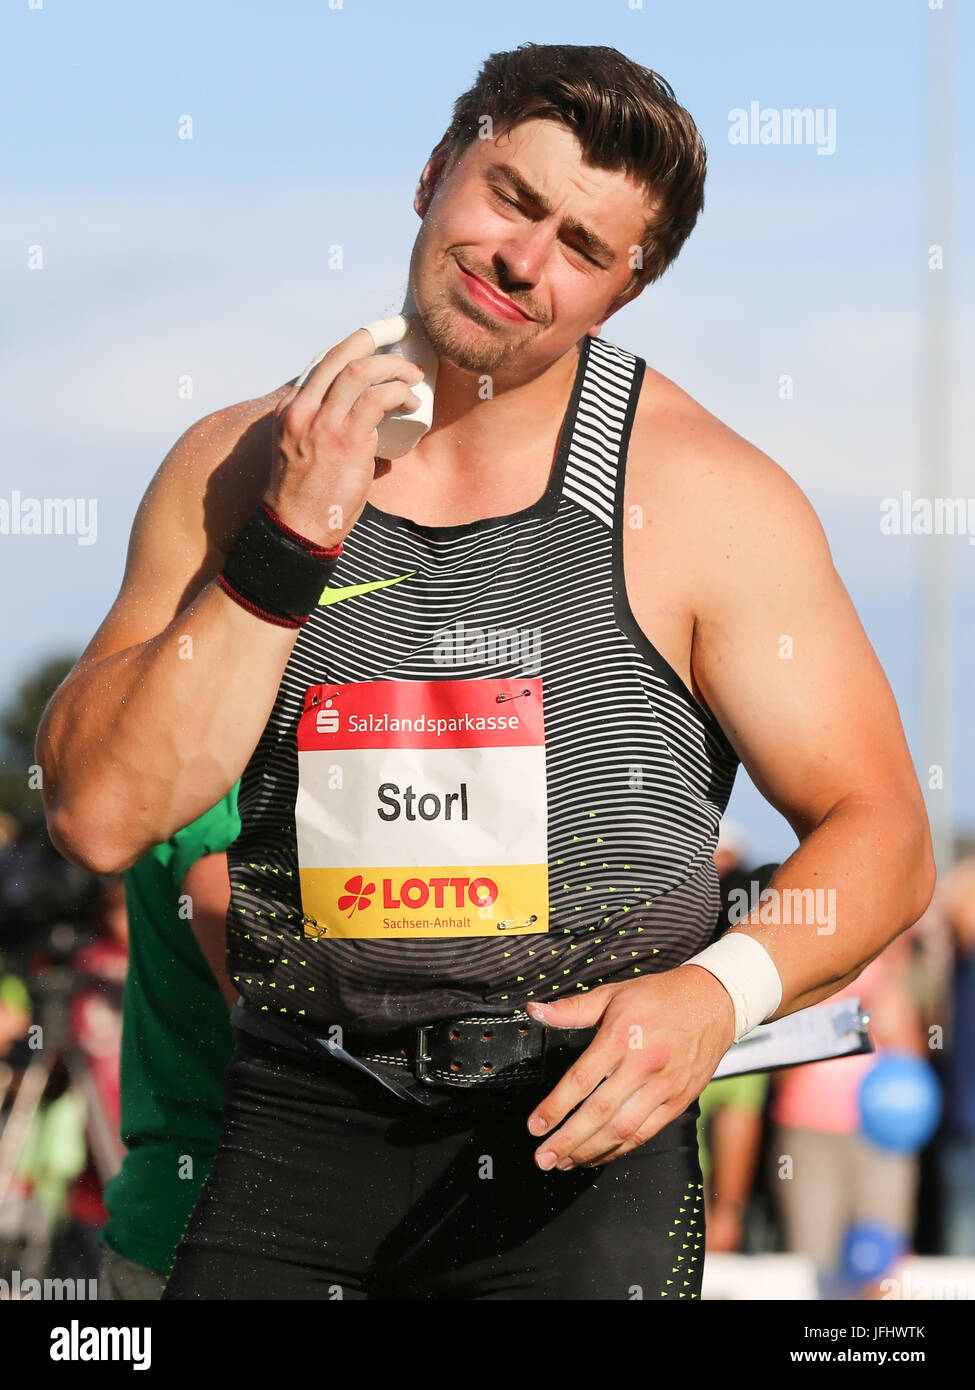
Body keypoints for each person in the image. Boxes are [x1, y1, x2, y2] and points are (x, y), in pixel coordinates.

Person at [35, 43, 935, 1300]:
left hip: (583, 1139)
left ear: (622, 293)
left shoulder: (705, 500)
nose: (525, 260)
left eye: (582, 245)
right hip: (297, 1123)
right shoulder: (237, 464)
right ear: (432, 174)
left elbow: (883, 830)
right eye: (511, 197)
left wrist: (716, 996)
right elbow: (97, 810)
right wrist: (288, 537)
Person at [98, 787, 240, 1299]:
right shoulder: (224, 771)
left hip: (174, 1220)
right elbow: (224, 912)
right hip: (228, 1231)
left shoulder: (183, 768)